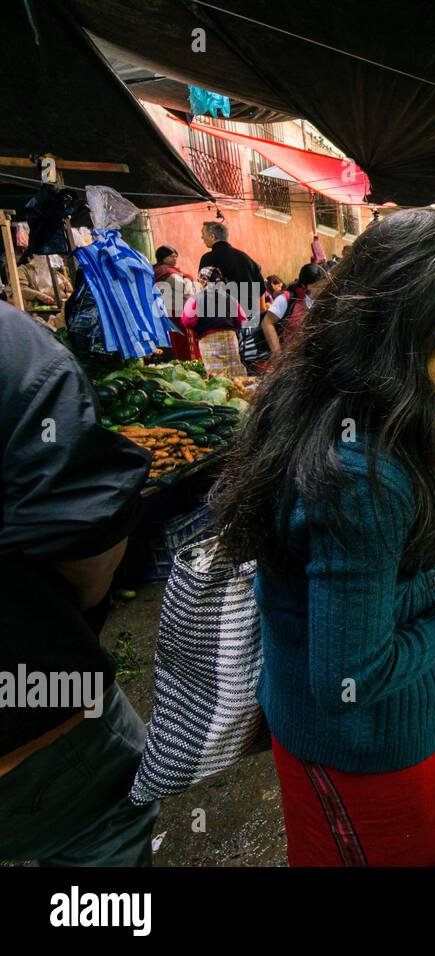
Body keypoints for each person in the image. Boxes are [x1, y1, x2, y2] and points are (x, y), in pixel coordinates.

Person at [209, 208, 435, 867]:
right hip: (364, 754)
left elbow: (379, 573)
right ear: (423, 326)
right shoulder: (362, 474)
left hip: (372, 735)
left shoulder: (336, 398)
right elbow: (349, 675)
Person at [0, 301, 159, 866]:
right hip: (34, 723)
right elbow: (85, 530)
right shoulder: (11, 343)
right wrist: (74, 612)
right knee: (106, 826)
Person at [181, 266, 248, 379]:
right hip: (230, 337)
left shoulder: (196, 298)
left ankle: (223, 395)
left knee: (216, 375)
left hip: (208, 338)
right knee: (234, 369)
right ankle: (242, 392)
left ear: (203, 280)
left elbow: (188, 320)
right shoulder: (229, 297)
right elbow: (242, 319)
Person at [260, 262, 328, 358]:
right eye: (317, 287)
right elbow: (267, 323)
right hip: (287, 357)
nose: (321, 290)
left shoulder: (321, 302)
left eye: (323, 286)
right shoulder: (287, 299)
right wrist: (278, 354)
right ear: (305, 285)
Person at [198, 220, 264, 317]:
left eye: (203, 233)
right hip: (250, 315)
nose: (202, 237)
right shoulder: (246, 258)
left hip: (225, 317)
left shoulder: (208, 259)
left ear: (212, 236)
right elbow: (261, 289)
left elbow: (204, 287)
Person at [153, 245, 195, 327]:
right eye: (171, 256)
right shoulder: (167, 272)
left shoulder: (158, 270)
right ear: (163, 258)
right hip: (176, 311)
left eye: (176, 256)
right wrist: (187, 279)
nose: (175, 259)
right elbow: (182, 286)